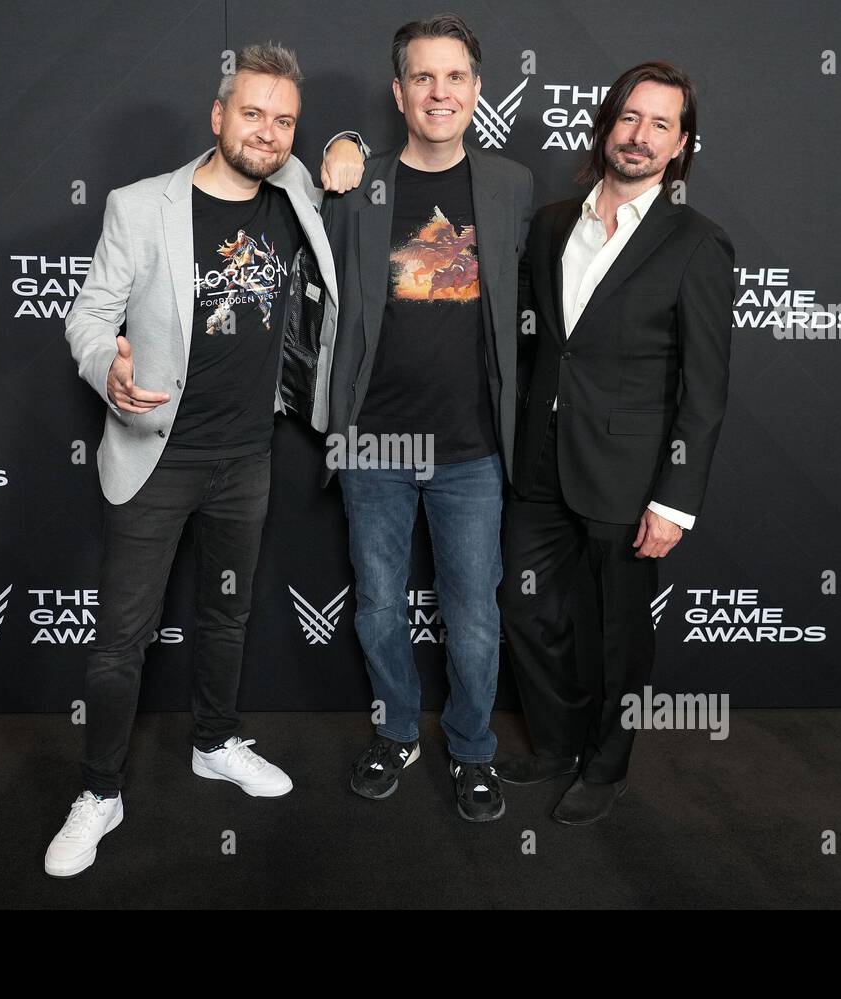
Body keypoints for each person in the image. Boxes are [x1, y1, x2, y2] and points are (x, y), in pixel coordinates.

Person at [47, 43, 366, 876]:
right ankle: (100, 791)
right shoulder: (139, 206)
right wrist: (104, 365)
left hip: (248, 459)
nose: (268, 132)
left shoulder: (294, 185)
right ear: (218, 116)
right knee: (122, 639)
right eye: (252, 113)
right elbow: (88, 316)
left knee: (227, 615)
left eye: (285, 121)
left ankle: (215, 741)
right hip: (158, 456)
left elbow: (348, 161)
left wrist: (352, 147)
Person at [498, 61, 735, 824]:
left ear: (680, 145)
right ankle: (558, 744)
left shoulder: (696, 244)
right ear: (606, 125)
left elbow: (705, 388)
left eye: (660, 124)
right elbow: (543, 345)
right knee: (527, 610)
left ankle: (606, 765)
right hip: (538, 461)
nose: (639, 136)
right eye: (630, 118)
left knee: (616, 637)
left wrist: (676, 500)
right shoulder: (551, 224)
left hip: (632, 478)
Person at [321, 14, 533, 822]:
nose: (439, 91)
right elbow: (284, 203)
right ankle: (398, 732)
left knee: (474, 613)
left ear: (476, 90)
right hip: (372, 441)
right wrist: (339, 142)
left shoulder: (511, 185)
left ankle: (473, 750)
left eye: (455, 77)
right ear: (399, 92)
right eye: (423, 77)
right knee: (378, 604)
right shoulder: (358, 184)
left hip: (473, 447)